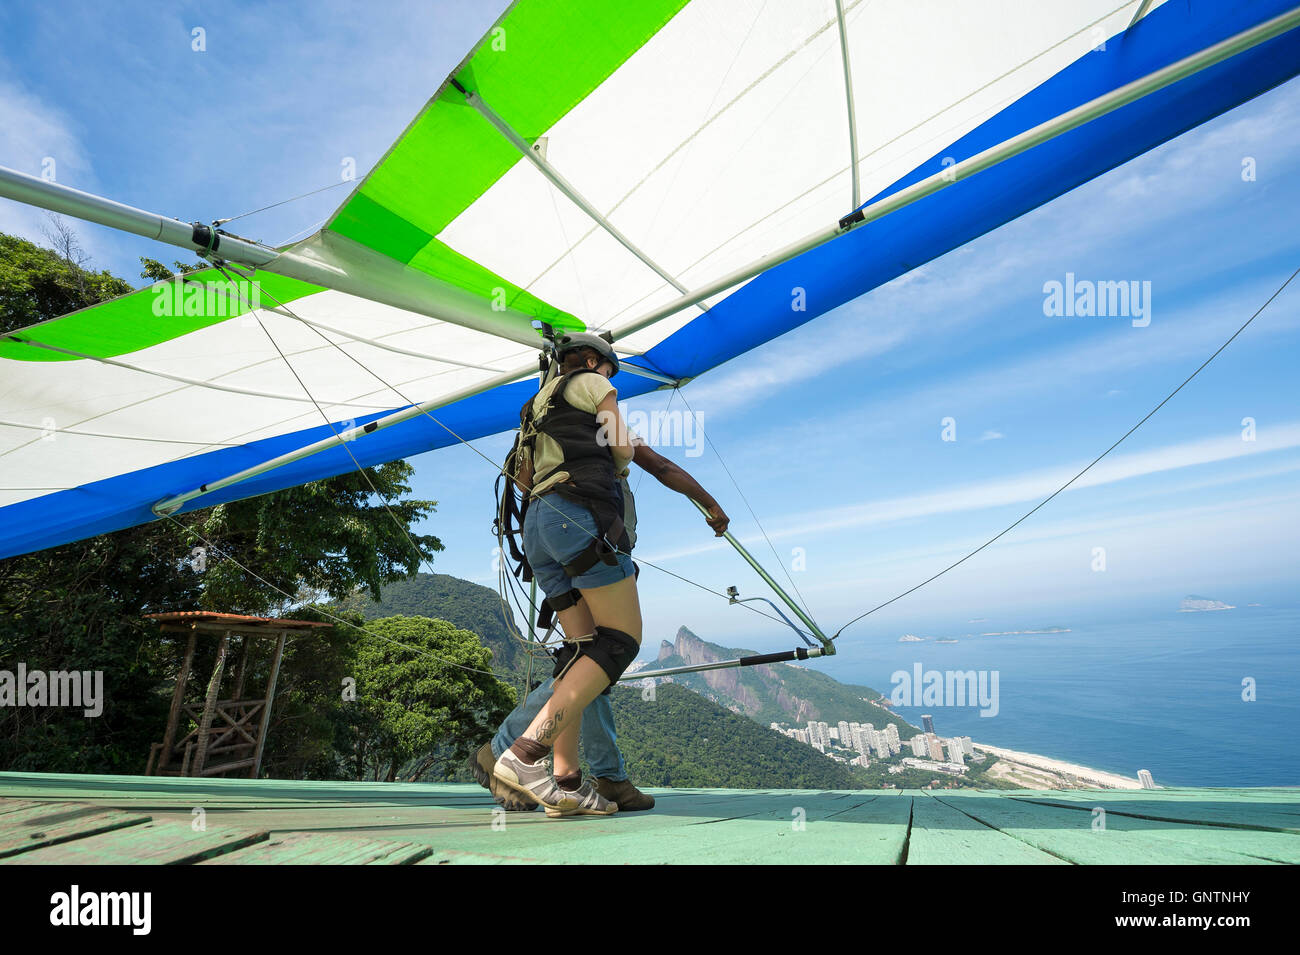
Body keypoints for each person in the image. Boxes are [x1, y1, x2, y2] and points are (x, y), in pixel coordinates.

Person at [486, 333, 723, 818]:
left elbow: (523, 480)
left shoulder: (535, 407)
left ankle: (567, 781)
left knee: (581, 649)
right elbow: (629, 451)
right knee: (619, 642)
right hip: (580, 519)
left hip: (538, 527)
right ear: (593, 361)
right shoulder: (592, 381)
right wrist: (710, 505)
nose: (608, 382)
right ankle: (524, 755)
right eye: (609, 372)